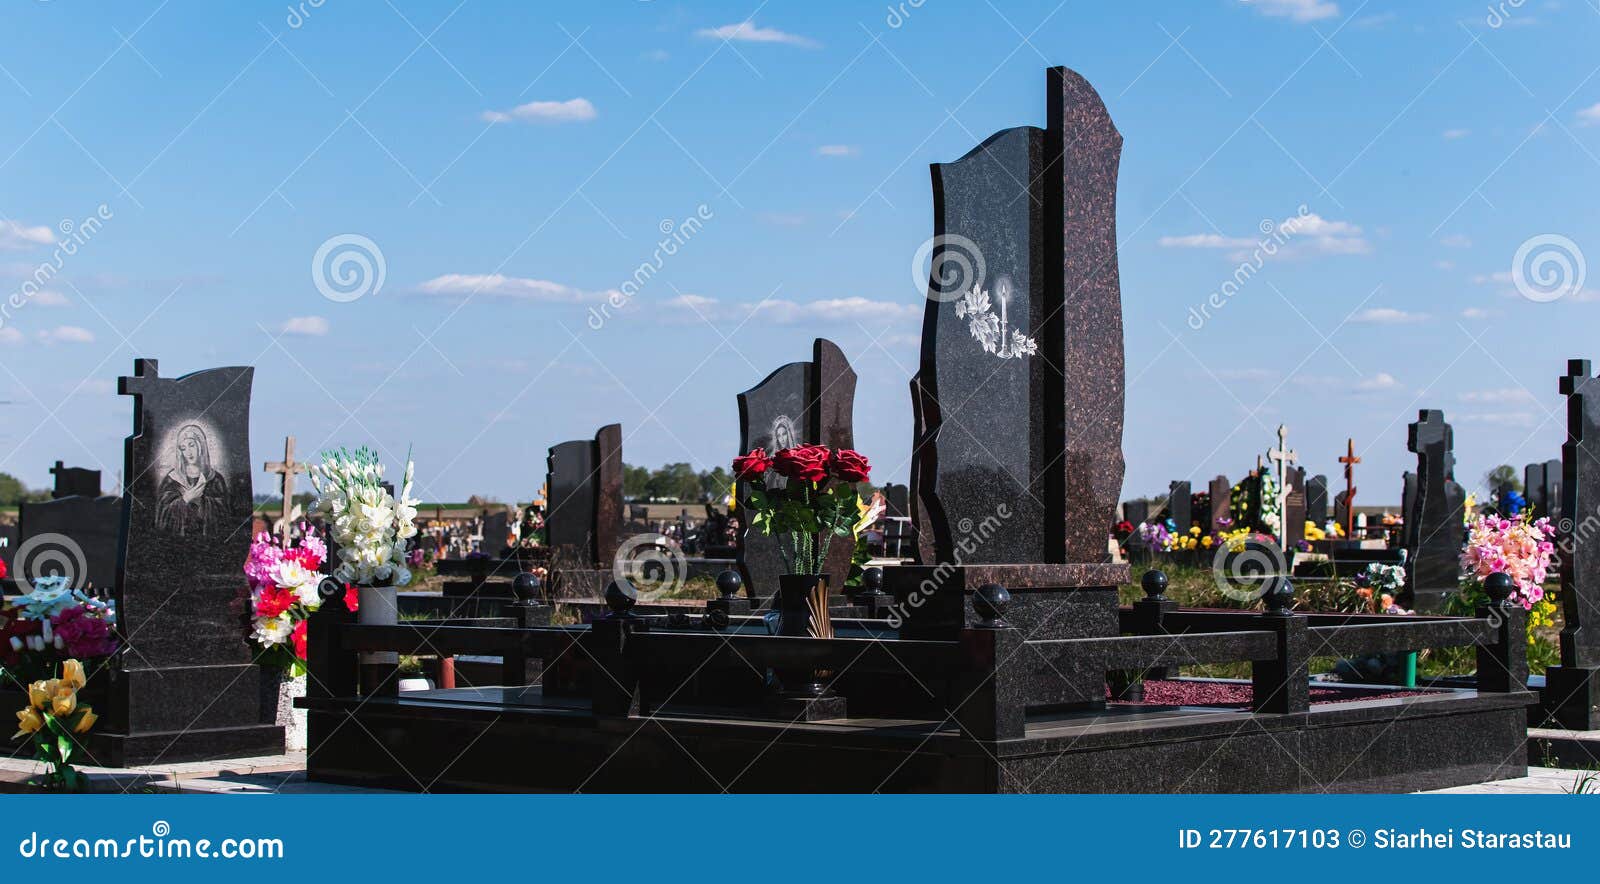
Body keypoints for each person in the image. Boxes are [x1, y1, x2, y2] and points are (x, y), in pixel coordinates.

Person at [155, 424, 230, 536]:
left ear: (201, 446)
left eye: (191, 445)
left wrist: (201, 501)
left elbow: (225, 516)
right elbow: (162, 517)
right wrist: (186, 499)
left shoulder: (215, 479)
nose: (188, 452)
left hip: (208, 542)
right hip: (177, 542)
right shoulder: (172, 479)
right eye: (183, 448)